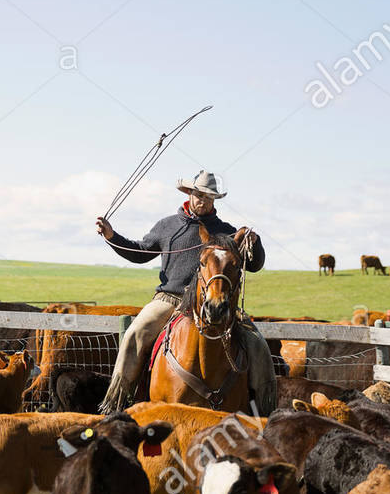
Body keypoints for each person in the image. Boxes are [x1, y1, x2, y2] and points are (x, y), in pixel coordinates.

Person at [96, 169, 274, 413]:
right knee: (135, 334)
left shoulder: (225, 232)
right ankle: (116, 404)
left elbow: (254, 265)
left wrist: (255, 243)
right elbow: (140, 252)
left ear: (214, 201)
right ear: (190, 193)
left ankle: (263, 411)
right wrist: (111, 235)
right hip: (171, 299)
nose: (203, 200)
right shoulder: (168, 225)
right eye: (199, 195)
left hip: (215, 300)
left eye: (209, 197)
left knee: (257, 343)